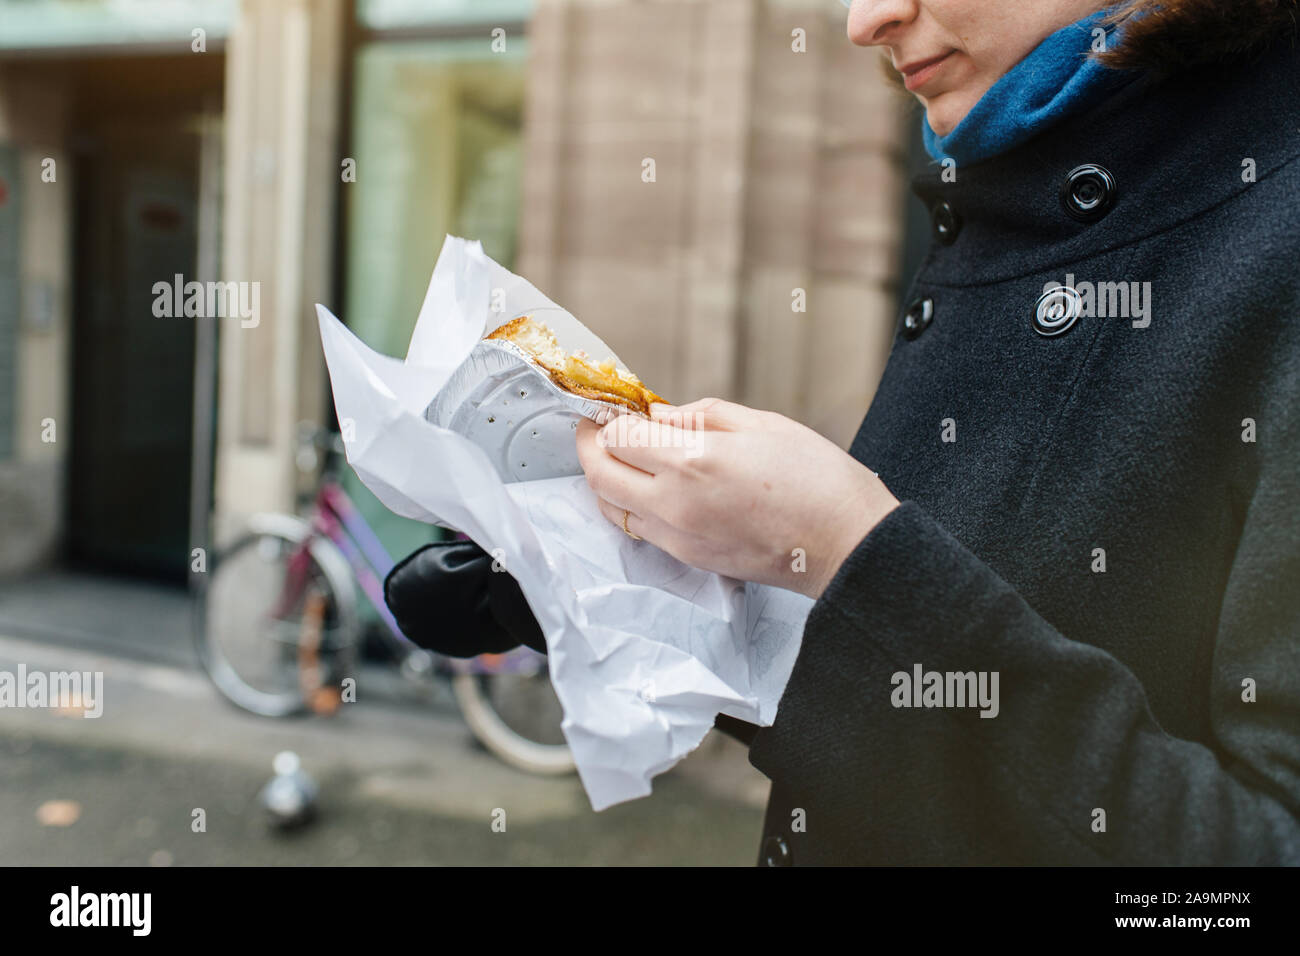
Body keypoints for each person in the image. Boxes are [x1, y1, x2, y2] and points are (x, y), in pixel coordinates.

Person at [385, 0, 1300, 865]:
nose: (866, 22)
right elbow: (914, 729)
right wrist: (638, 586)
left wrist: (844, 552)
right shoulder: (1004, 192)